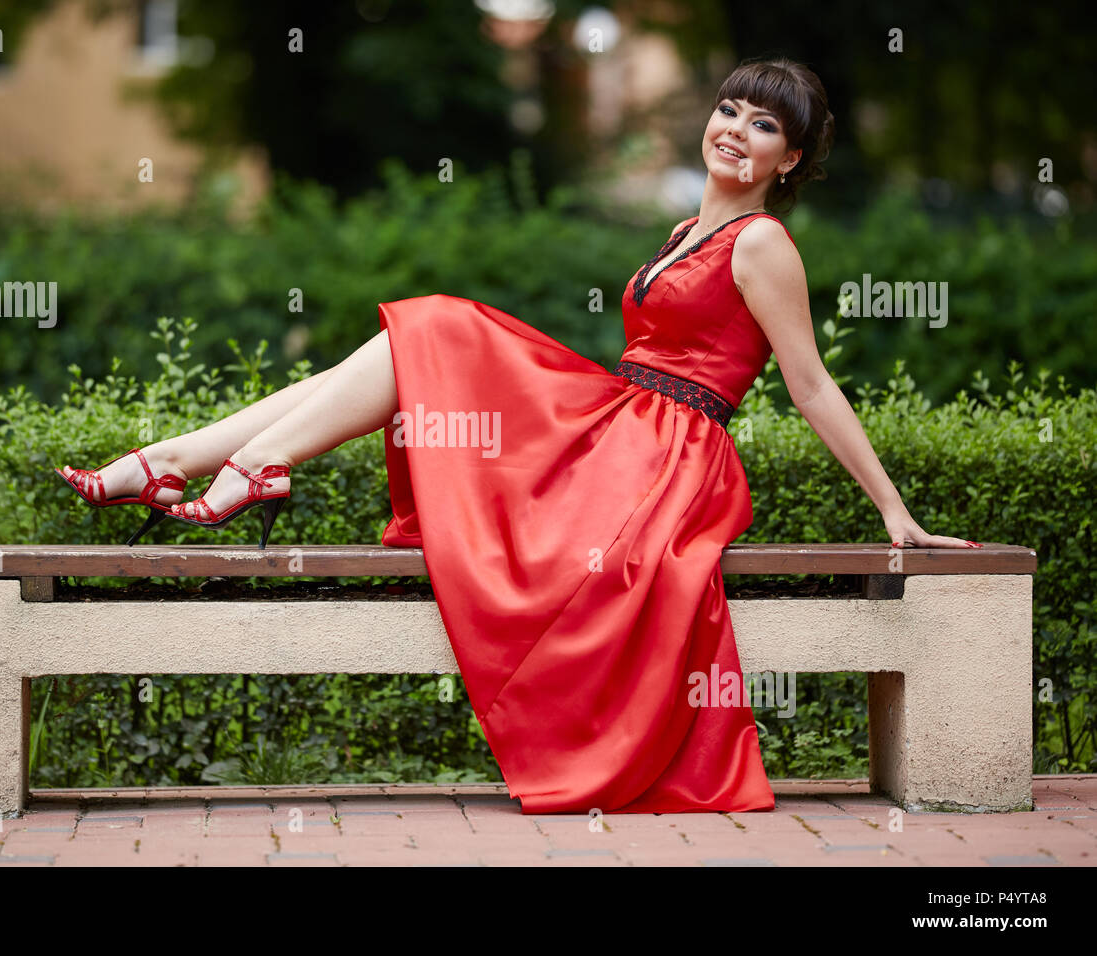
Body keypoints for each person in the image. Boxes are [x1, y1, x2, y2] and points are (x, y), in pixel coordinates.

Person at [56, 56, 981, 814]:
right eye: (729, 109)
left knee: (440, 328)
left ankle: (216, 464)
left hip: (665, 456)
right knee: (406, 345)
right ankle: (188, 459)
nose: (735, 128)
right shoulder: (679, 230)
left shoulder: (762, 245)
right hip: (620, 423)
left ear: (791, 159)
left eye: (765, 125)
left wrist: (894, 512)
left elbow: (811, 384)